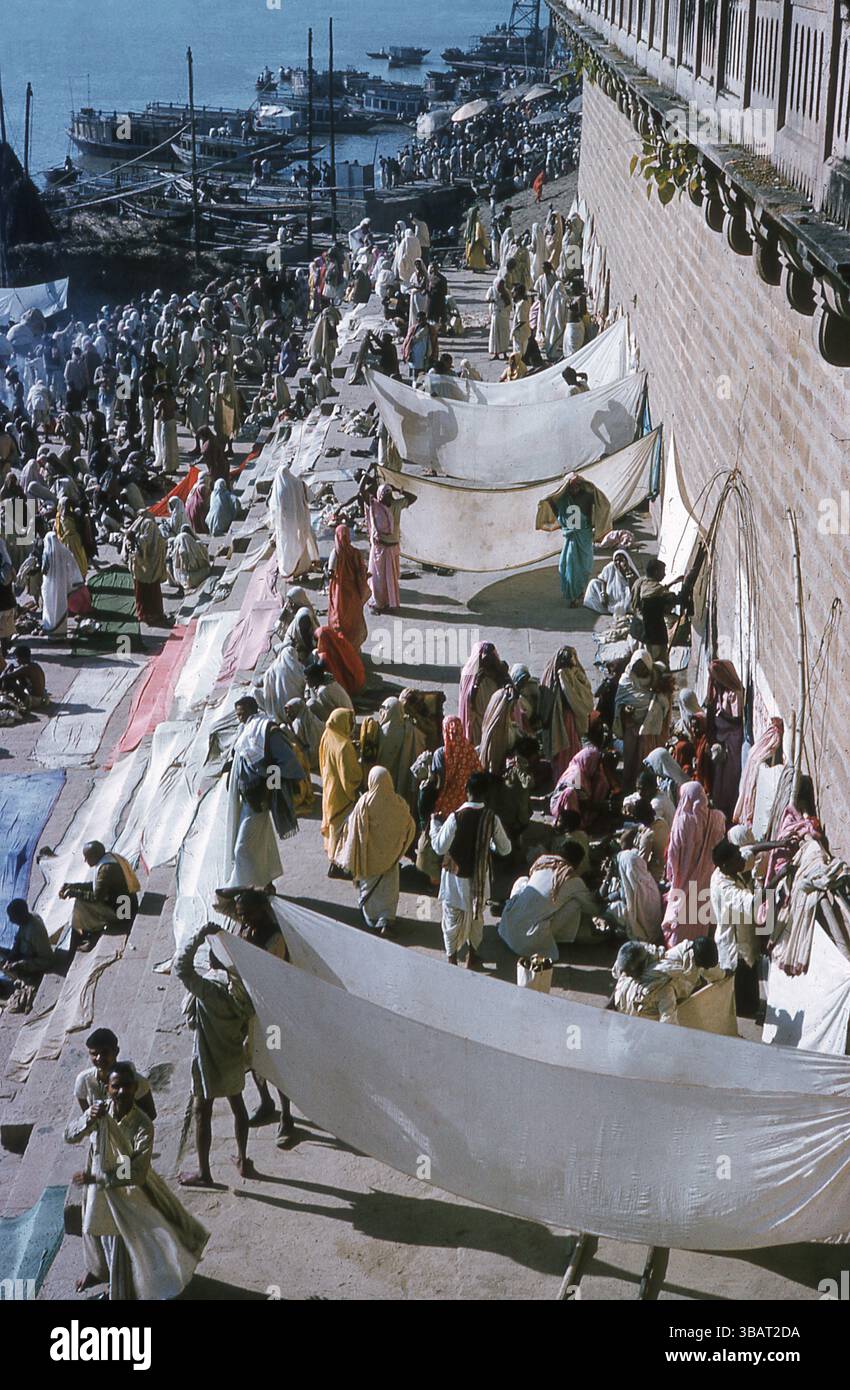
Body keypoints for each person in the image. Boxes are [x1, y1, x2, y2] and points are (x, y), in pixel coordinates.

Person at [66, 1062, 209, 1298]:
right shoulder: (100, 1112)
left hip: (127, 1192)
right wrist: (86, 1119)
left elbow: (136, 1172)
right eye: (116, 1087)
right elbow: (70, 1135)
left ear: (135, 1089)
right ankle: (106, 1277)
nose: (121, 1092)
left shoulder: (142, 1125)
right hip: (100, 1187)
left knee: (126, 1247)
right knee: (102, 1239)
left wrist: (98, 1178)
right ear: (108, 1089)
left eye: (127, 1086)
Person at [176, 924, 255, 1187]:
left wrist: (198, 937)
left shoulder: (208, 990)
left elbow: (181, 968)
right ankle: (243, 1159)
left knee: (202, 1111)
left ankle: (204, 1172)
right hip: (233, 1055)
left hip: (208, 1060)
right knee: (238, 1105)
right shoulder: (242, 989)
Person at [430, 770, 511, 968]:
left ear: (466, 790)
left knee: (451, 919)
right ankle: (473, 957)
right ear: (486, 794)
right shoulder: (492, 819)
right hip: (480, 880)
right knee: (476, 919)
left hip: (455, 880)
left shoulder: (456, 817)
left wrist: (434, 824)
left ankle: (452, 959)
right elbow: (505, 849)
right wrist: (489, 843)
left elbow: (439, 847)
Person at [223, 695, 302, 892]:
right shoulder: (247, 729)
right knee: (261, 841)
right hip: (247, 798)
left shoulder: (267, 731)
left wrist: (270, 787)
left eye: (242, 714)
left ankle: (242, 889)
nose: (239, 718)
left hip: (258, 800)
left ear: (252, 710)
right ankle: (266, 882)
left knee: (242, 847)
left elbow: (288, 763)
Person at [335, 766, 416, 933]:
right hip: (391, 860)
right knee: (388, 891)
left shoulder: (364, 803)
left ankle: (372, 919)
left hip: (368, 860)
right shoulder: (399, 804)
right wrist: (398, 848)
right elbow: (410, 826)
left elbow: (354, 832)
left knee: (370, 888)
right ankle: (386, 919)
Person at [662, 781, 727, 945]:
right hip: (707, 876)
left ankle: (677, 950)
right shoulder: (717, 818)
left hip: (683, 876)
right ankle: (698, 953)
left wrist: (672, 875)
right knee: (699, 914)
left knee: (681, 913)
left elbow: (673, 854)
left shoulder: (683, 821)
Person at [537, 472, 612, 607]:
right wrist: (563, 523)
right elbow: (551, 503)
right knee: (568, 565)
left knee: (584, 566)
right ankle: (574, 596)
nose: (575, 487)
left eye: (578, 484)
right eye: (572, 485)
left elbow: (602, 503)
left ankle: (580, 593)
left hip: (584, 536)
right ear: (566, 487)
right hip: (570, 537)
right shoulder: (562, 499)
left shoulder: (588, 496)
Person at [710, 838, 761, 1017]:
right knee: (743, 984)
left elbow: (751, 850)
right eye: (737, 858)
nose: (742, 860)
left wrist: (778, 844)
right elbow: (753, 902)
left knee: (750, 977)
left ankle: (750, 1009)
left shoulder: (728, 869)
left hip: (743, 936)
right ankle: (744, 1014)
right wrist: (780, 875)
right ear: (725, 865)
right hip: (735, 944)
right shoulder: (724, 887)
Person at [59, 841, 141, 953]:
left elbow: (97, 897)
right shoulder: (110, 859)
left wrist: (74, 893)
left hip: (124, 912)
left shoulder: (106, 870)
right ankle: (84, 937)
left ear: (94, 856)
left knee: (80, 904)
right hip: (126, 904)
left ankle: (80, 943)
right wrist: (74, 886)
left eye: (86, 858)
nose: (85, 861)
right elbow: (96, 887)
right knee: (82, 899)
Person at [74, 1027, 155, 1124]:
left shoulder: (134, 1080)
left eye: (104, 1053)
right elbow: (87, 1118)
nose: (99, 1058)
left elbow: (150, 1114)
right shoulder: (83, 1079)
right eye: (94, 1054)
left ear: (116, 1051)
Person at [540, 645, 594, 779]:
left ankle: (569, 784)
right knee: (564, 754)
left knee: (571, 753)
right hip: (559, 721)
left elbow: (582, 697)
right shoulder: (555, 676)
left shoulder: (575, 674)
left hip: (570, 721)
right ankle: (564, 784)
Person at [319, 707, 362, 873]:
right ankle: (338, 863)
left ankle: (333, 857)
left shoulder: (328, 734)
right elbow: (350, 777)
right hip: (341, 795)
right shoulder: (344, 747)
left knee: (333, 826)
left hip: (329, 787)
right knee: (342, 829)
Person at [268, 458, 319, 582]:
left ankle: (290, 569)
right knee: (302, 541)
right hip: (301, 520)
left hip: (285, 525)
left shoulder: (278, 489)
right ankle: (303, 568)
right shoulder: (297, 483)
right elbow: (311, 497)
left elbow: (273, 508)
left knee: (288, 545)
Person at [367, 482, 413, 613]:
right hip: (380, 549)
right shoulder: (376, 507)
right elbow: (362, 491)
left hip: (391, 549)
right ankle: (378, 603)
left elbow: (413, 498)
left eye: (387, 495)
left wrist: (399, 489)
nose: (384, 499)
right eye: (382, 496)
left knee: (391, 579)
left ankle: (389, 603)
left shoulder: (397, 505)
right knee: (378, 579)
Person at [327, 523, 370, 652]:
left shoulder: (335, 553)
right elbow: (361, 571)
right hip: (353, 592)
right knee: (353, 618)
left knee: (339, 618)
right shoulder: (355, 553)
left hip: (339, 592)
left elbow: (330, 572)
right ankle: (354, 647)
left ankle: (341, 647)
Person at [458, 641, 509, 746]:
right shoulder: (468, 673)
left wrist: (502, 674)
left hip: (496, 717)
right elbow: (467, 700)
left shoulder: (498, 671)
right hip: (477, 721)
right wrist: (476, 684)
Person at [122, 513, 168, 625]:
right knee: (152, 593)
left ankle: (143, 614)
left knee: (141, 592)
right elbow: (150, 543)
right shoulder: (150, 526)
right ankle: (154, 615)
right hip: (149, 567)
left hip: (139, 567)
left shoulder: (138, 526)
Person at [630, 558, 679, 662]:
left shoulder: (639, 582)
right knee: (655, 664)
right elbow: (666, 603)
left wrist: (672, 583)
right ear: (656, 572)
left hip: (636, 631)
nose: (665, 574)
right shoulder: (658, 590)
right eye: (663, 571)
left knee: (639, 663)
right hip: (652, 636)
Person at [40, 531, 84, 638]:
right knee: (60, 607)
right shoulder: (65, 552)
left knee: (50, 608)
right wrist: (73, 581)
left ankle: (51, 633)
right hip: (61, 586)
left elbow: (44, 571)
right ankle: (60, 634)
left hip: (49, 586)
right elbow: (73, 566)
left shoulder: (46, 554)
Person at [584, 548, 640, 615]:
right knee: (593, 583)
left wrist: (627, 572)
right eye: (616, 560)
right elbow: (602, 580)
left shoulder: (630, 569)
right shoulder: (610, 566)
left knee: (632, 599)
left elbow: (634, 586)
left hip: (624, 594)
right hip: (610, 593)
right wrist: (603, 593)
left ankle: (621, 608)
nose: (618, 562)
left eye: (621, 560)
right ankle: (609, 607)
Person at [486, 277, 511, 360]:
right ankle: (496, 353)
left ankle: (504, 353)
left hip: (503, 315)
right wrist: (492, 300)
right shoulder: (492, 290)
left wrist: (504, 296)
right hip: (495, 314)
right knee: (495, 334)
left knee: (504, 334)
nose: (501, 287)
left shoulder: (506, 291)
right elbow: (487, 299)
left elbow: (509, 303)